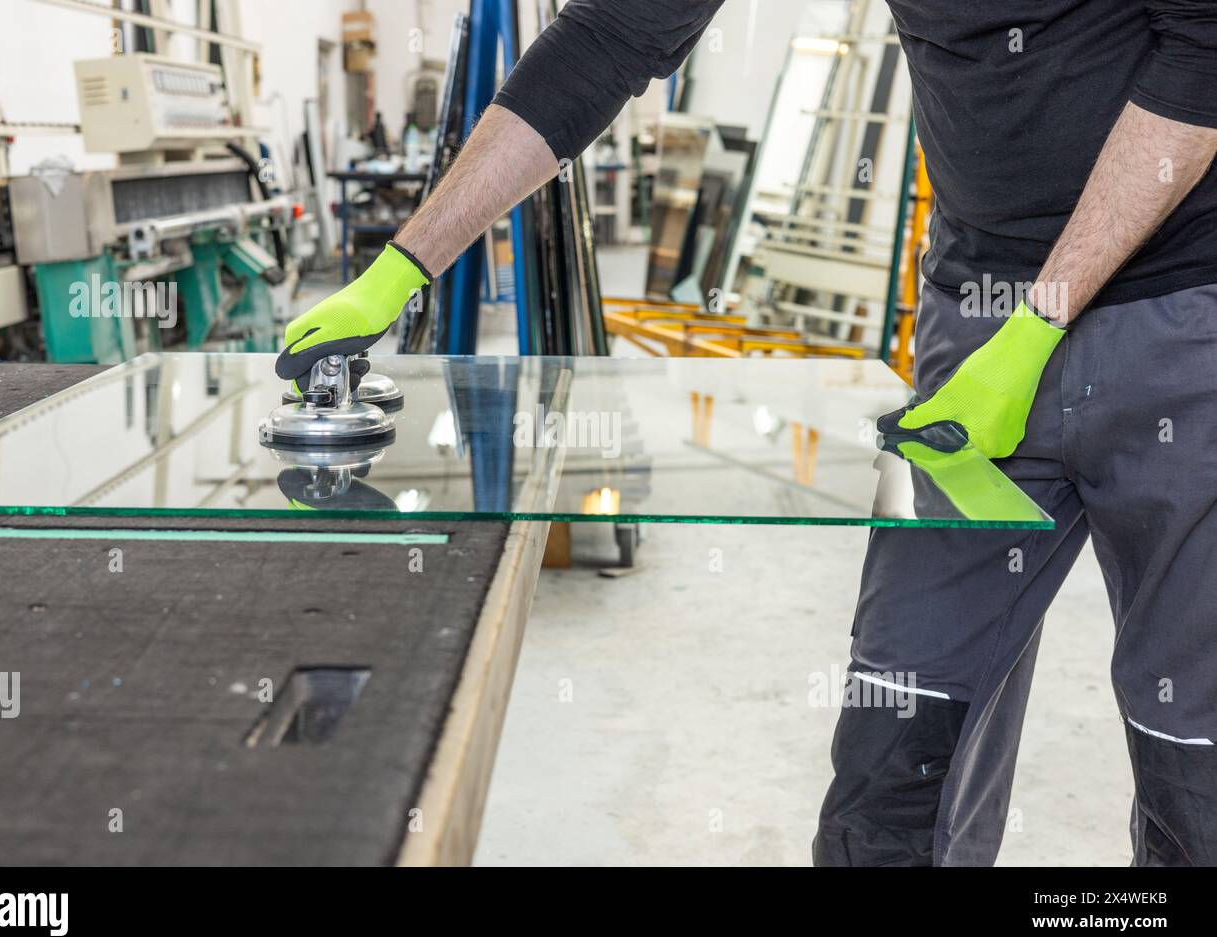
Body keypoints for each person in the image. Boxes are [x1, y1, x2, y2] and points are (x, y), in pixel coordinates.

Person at [277, 1, 1217, 866]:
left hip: (1182, 315)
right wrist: (406, 264)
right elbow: (610, 35)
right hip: (975, 318)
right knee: (895, 742)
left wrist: (1041, 323)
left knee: (1192, 756)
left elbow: (1204, 53)